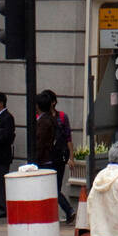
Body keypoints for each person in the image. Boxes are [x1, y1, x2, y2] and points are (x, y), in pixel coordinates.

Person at [42, 88, 75, 224]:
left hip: (59, 157)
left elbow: (68, 138)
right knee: (50, 188)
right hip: (46, 157)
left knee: (54, 188)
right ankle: (63, 211)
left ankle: (67, 210)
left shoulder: (62, 117)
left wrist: (71, 157)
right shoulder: (41, 117)